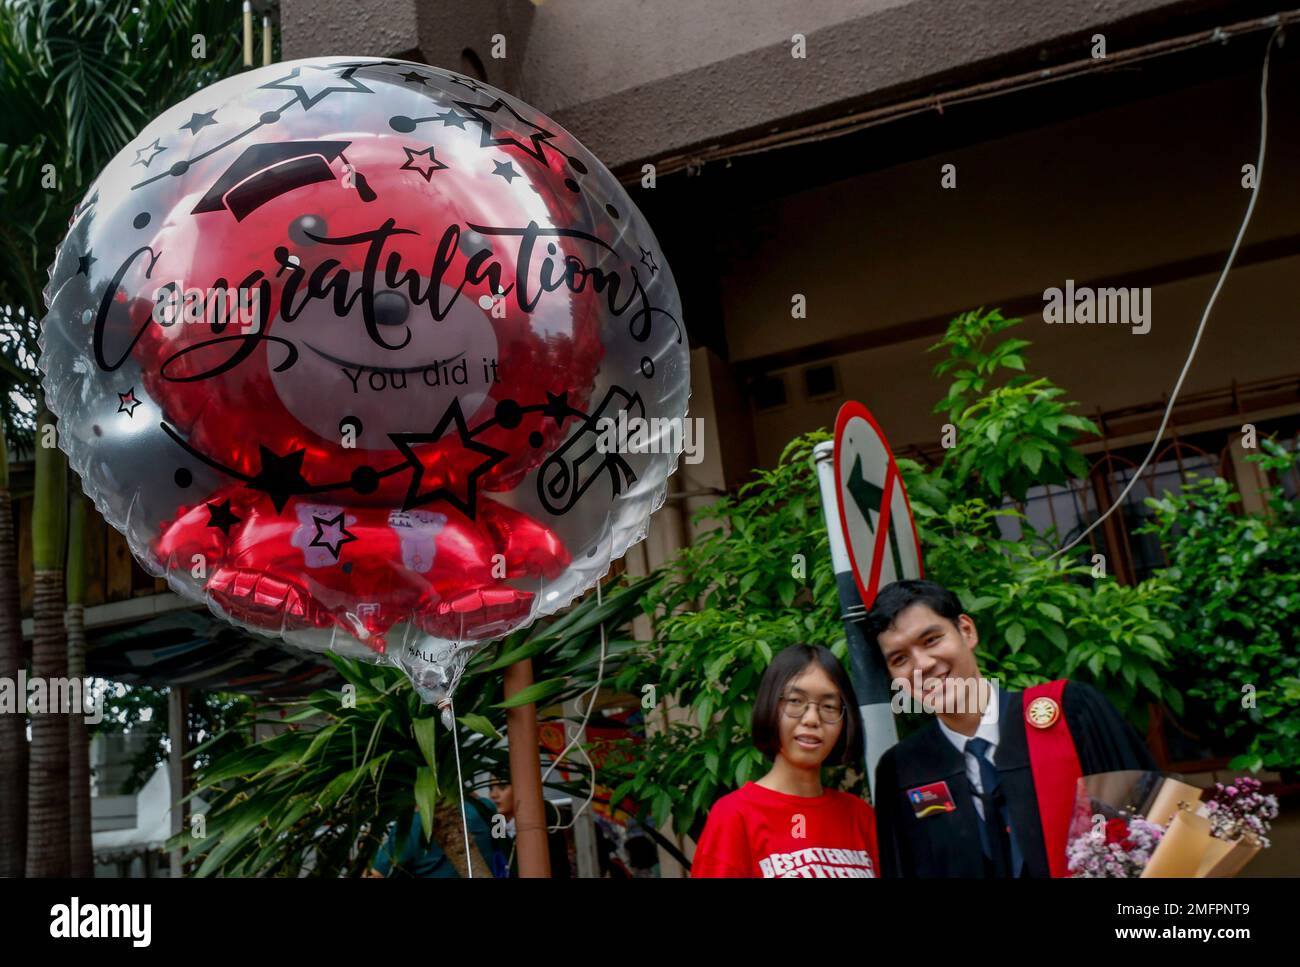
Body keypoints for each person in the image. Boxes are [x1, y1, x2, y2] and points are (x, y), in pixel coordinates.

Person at [867, 579, 1156, 878]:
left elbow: (1152, 833)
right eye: (899, 659)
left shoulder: (1070, 713)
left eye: (931, 640)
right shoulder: (902, 771)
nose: (922, 664)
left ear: (966, 631)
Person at [691, 643, 879, 878]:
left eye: (829, 706)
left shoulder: (860, 815)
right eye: (795, 701)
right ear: (770, 705)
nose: (812, 719)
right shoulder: (734, 815)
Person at [486, 777, 573, 877]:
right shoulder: (497, 821)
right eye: (490, 788)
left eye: (502, 787)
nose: (493, 795)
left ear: (521, 788)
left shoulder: (544, 812)